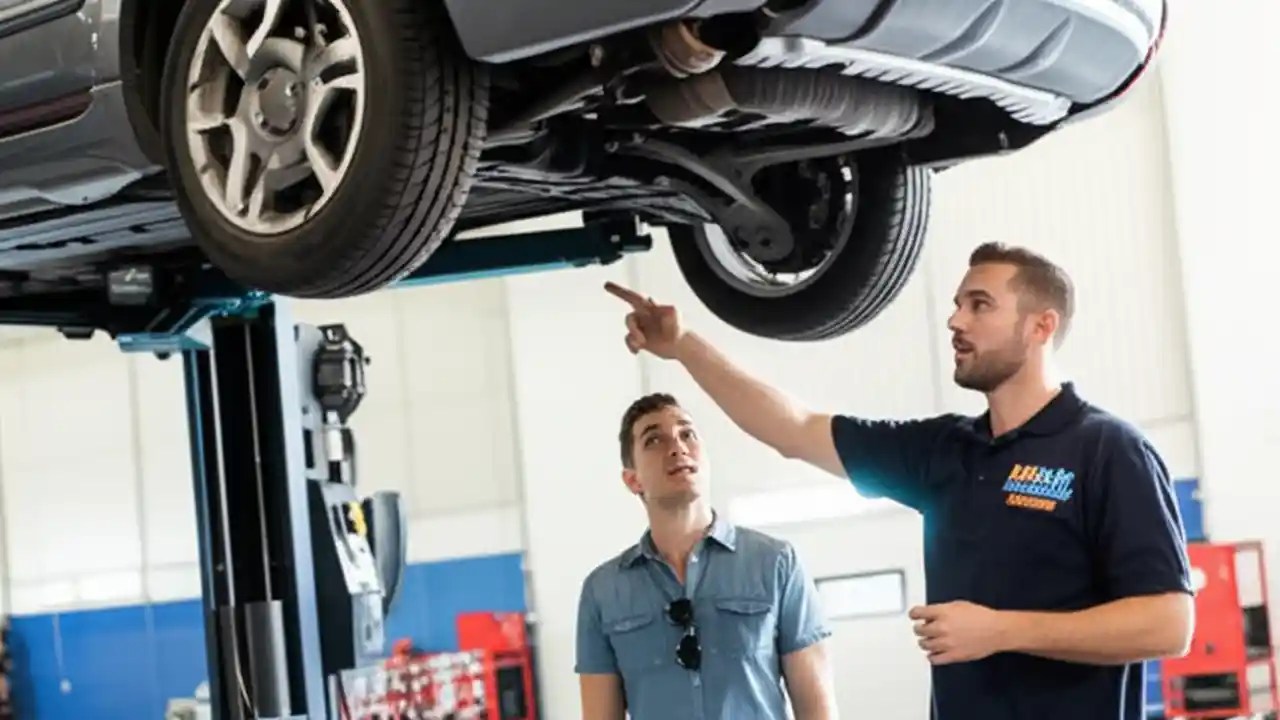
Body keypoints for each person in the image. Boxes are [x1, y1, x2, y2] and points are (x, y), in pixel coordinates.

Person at [604, 242, 1195, 720]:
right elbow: (795, 429)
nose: (955, 320)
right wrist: (683, 345)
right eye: (958, 304)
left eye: (980, 305)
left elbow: (1169, 624)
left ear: (1041, 326)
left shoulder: (1107, 450)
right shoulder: (945, 451)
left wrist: (999, 631)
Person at [574, 392, 839, 720]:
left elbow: (818, 711)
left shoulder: (775, 564)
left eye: (687, 434)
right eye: (654, 439)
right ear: (633, 480)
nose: (677, 447)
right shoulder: (603, 592)